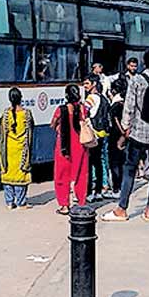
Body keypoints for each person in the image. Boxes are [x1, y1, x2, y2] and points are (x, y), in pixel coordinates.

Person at [102, 50, 149, 222]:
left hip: (138, 134)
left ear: (144, 62)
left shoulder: (136, 81)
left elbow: (128, 110)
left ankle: (122, 209)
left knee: (129, 170)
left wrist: (123, 134)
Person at [0, 87, 34, 210]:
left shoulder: (5, 114)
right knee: (20, 175)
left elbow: (2, 134)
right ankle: (21, 202)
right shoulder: (27, 114)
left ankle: (9, 202)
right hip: (21, 149)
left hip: (8, 149)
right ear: (21, 98)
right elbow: (31, 131)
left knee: (7, 173)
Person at [51, 84, 90, 214]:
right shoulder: (83, 109)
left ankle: (64, 205)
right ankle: (81, 202)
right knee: (81, 175)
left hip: (64, 146)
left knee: (61, 175)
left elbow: (53, 124)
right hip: (80, 146)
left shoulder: (61, 110)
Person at [82, 75, 113, 202]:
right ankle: (99, 192)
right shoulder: (103, 98)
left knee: (89, 164)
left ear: (94, 84)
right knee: (99, 162)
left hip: (92, 135)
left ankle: (89, 193)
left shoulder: (90, 98)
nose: (85, 86)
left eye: (87, 83)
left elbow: (84, 112)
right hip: (102, 134)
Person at [106, 77, 128, 194]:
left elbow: (116, 121)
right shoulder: (125, 103)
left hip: (116, 136)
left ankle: (116, 188)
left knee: (114, 162)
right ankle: (122, 186)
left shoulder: (115, 106)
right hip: (125, 136)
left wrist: (122, 134)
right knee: (122, 162)